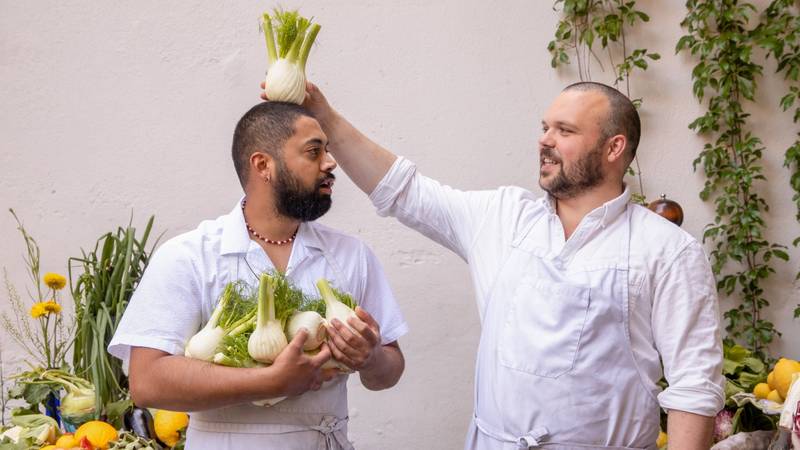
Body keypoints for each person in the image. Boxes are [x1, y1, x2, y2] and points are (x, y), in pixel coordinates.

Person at [268, 81, 725, 449]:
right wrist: (323, 115)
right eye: (545, 127)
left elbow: (694, 390)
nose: (544, 140)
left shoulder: (667, 250)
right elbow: (403, 191)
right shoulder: (503, 216)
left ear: (613, 148)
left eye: (564, 131)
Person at [108, 101, 408, 449]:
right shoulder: (188, 256)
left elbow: (390, 370)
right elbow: (147, 382)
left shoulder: (351, 255)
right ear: (263, 164)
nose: (330, 162)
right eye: (314, 152)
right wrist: (266, 382)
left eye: (327, 150)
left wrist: (370, 358)